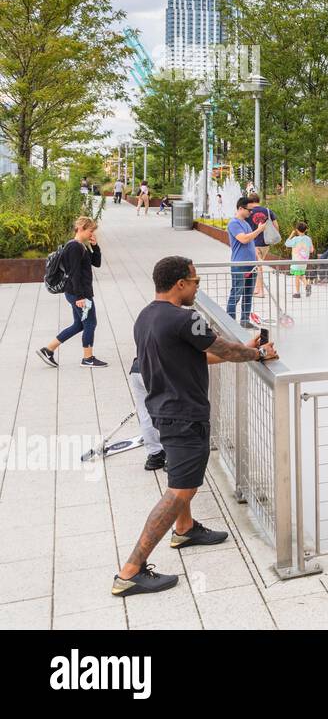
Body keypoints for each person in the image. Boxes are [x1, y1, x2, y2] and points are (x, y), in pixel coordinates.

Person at [112, 256, 278, 597]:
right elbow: (219, 347)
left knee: (181, 478)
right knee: (180, 491)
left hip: (163, 410)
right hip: (184, 416)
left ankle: (184, 529)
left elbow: (201, 354)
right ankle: (130, 570)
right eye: (195, 281)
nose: (197, 287)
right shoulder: (186, 318)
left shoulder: (147, 316)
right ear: (180, 285)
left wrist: (244, 350)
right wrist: (258, 355)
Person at [37, 216, 107, 369]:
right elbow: (74, 273)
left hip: (76, 292)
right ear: (81, 228)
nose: (92, 234)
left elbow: (97, 263)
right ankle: (88, 358)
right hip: (78, 293)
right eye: (90, 231)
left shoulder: (81, 246)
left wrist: (95, 246)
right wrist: (81, 297)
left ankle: (48, 350)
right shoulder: (74, 247)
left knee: (78, 325)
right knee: (90, 323)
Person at [226, 197, 265, 328]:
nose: (251, 212)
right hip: (239, 265)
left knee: (248, 294)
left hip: (251, 264)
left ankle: (244, 320)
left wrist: (256, 256)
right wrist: (259, 230)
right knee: (236, 293)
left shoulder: (246, 224)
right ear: (241, 208)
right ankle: (230, 323)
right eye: (249, 210)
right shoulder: (233, 223)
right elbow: (243, 239)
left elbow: (251, 242)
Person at [128, 357, 165, 472]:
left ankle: (155, 456)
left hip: (137, 368)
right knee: (170, 412)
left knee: (145, 414)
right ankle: (172, 458)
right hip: (155, 370)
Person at [246, 192, 279, 297]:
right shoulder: (268, 211)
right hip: (266, 243)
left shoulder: (248, 212)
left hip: (254, 243)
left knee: (258, 266)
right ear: (259, 200)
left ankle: (261, 291)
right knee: (257, 265)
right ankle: (257, 288)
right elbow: (276, 227)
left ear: (250, 201)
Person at [286, 221, 314, 298]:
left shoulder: (295, 239)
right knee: (301, 275)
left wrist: (291, 234)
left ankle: (297, 293)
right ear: (305, 230)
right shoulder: (308, 239)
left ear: (297, 230)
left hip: (296, 262)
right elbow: (312, 250)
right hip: (304, 262)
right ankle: (307, 285)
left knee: (297, 277)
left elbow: (287, 243)